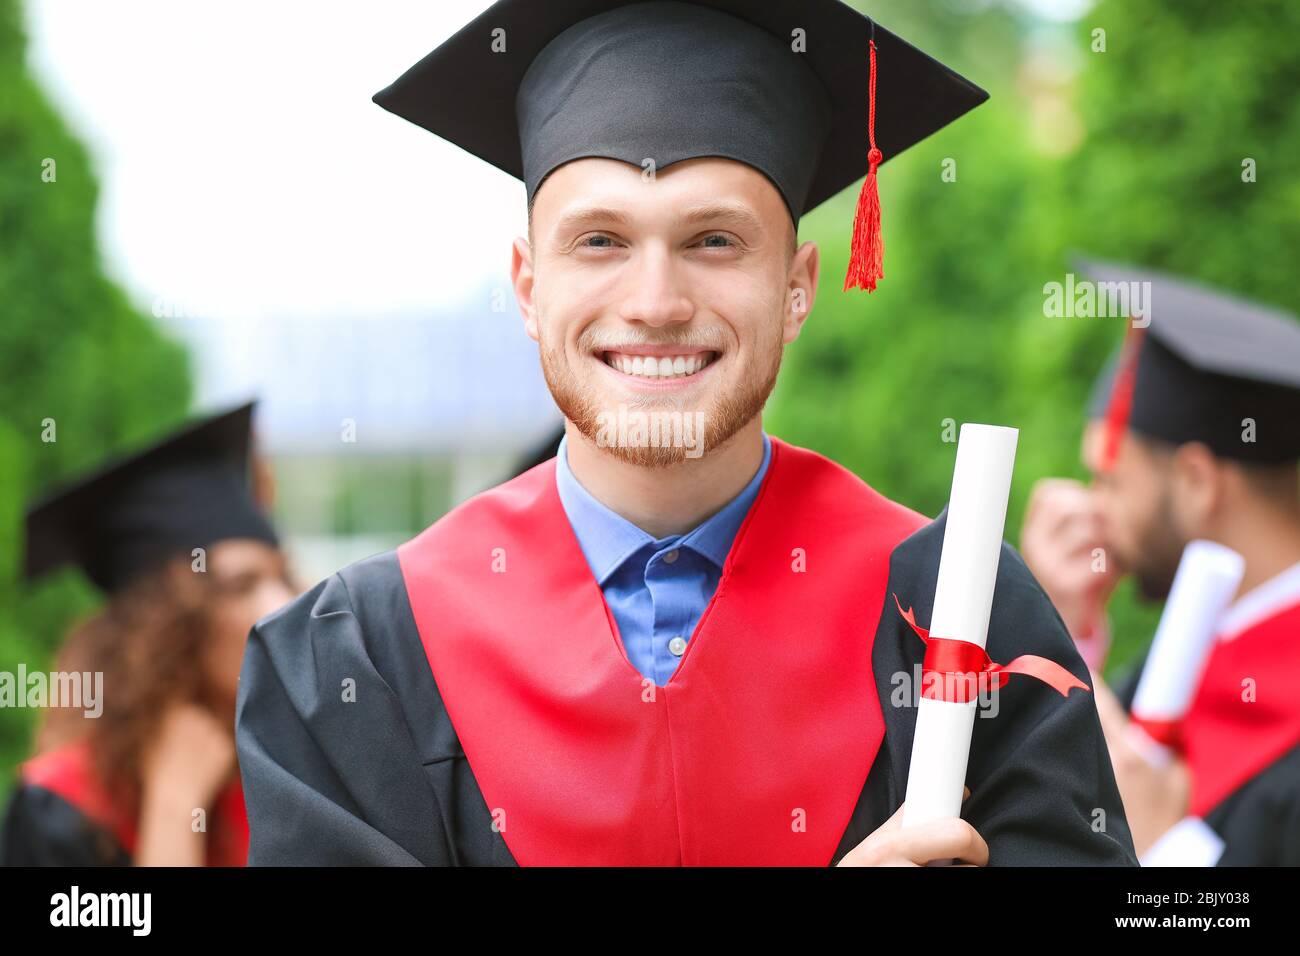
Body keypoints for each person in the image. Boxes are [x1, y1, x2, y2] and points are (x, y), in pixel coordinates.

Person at [235, 0, 1136, 867]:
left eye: (713, 241)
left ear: (797, 288)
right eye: (599, 241)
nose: (657, 303)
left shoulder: (962, 617)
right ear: (526, 285)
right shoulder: (360, 662)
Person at [1021, 259, 1300, 865]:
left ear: (1198, 483)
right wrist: (1061, 631)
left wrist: (1169, 847)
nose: (1093, 507)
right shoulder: (1191, 658)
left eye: (1110, 481)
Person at [0, 402, 298, 866]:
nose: (284, 605)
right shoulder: (61, 813)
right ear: (164, 630)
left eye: (282, 577)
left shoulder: (295, 775)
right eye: (242, 585)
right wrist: (176, 806)